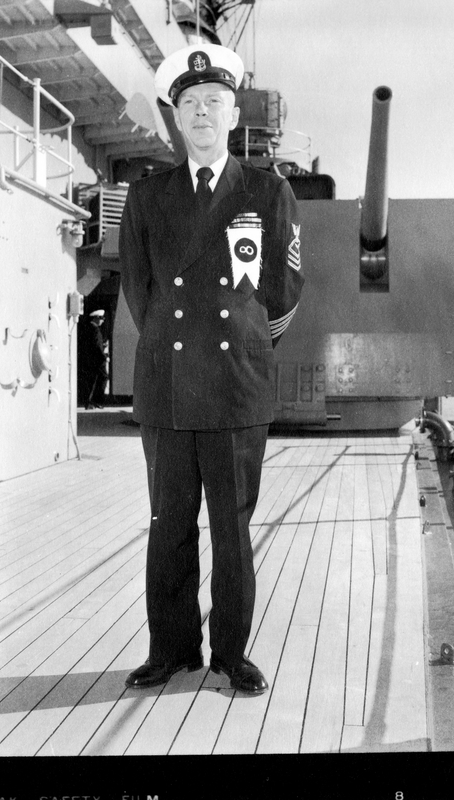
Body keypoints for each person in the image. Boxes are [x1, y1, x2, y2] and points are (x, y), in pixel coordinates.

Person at [118, 42, 304, 695]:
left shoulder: (267, 190)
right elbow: (141, 294)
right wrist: (182, 342)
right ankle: (171, 650)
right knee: (169, 527)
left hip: (234, 391)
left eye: (214, 103)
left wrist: (246, 351)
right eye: (190, 104)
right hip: (167, 389)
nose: (202, 113)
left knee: (231, 531)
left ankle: (231, 654)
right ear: (176, 116)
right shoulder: (145, 197)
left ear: (232, 113)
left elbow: (281, 290)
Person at [80, 309, 108, 409]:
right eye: (101, 318)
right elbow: (96, 346)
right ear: (96, 318)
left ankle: (90, 402)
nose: (103, 320)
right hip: (97, 360)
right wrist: (103, 357)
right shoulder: (95, 329)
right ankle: (95, 401)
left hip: (91, 359)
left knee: (92, 381)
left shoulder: (89, 328)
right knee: (102, 378)